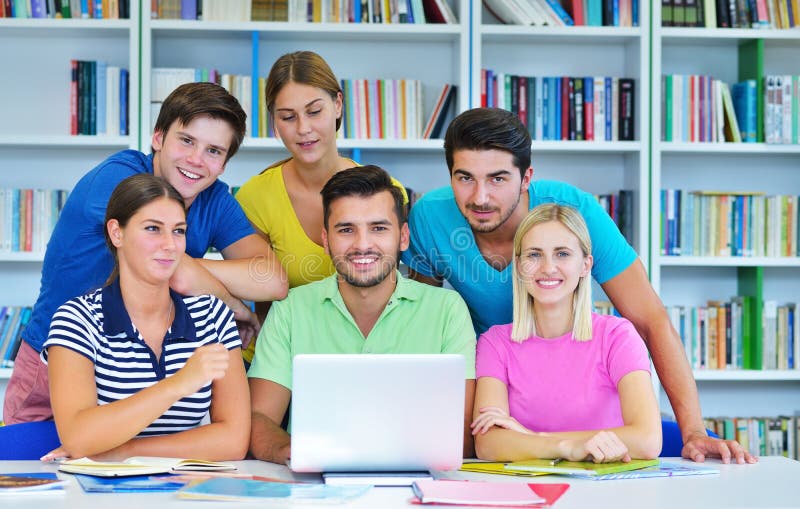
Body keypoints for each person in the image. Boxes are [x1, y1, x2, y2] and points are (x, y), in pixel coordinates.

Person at [402, 107, 757, 464]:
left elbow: (651, 320)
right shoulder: (430, 219)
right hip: (495, 375)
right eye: (465, 178)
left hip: (572, 374)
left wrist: (693, 431)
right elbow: (428, 323)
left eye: (497, 179)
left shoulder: (575, 214)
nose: (479, 197)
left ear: (526, 178)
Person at [4, 82, 288, 425]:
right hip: (57, 359)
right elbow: (178, 274)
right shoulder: (120, 178)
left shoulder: (214, 199)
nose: (196, 160)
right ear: (158, 138)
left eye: (214, 151)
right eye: (186, 140)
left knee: (132, 471)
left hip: (133, 369)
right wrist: (235, 307)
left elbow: (273, 280)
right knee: (31, 472)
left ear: (224, 164)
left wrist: (189, 264)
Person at [248, 166, 476, 465]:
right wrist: (286, 451)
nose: (362, 244)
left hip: (419, 480)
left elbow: (463, 432)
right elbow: (258, 417)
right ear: (326, 240)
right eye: (346, 230)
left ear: (403, 237)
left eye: (379, 228)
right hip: (314, 487)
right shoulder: (291, 308)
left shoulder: (447, 310)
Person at [40, 174, 249, 461]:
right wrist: (179, 384)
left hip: (183, 492)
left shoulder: (212, 316)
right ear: (117, 233)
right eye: (153, 229)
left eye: (178, 231)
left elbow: (234, 439)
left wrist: (126, 451)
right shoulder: (77, 319)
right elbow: (78, 436)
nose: (170, 244)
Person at [234, 51, 407, 362]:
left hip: (362, 356)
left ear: (338, 105)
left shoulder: (385, 192)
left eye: (314, 111)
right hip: (280, 359)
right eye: (288, 117)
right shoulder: (255, 197)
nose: (303, 128)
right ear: (274, 121)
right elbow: (263, 299)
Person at [472, 204, 661, 462]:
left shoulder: (618, 337)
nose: (548, 267)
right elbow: (488, 443)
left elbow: (647, 439)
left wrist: (531, 438)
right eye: (534, 255)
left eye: (562, 254)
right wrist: (567, 448)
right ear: (518, 266)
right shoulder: (495, 344)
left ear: (585, 264)